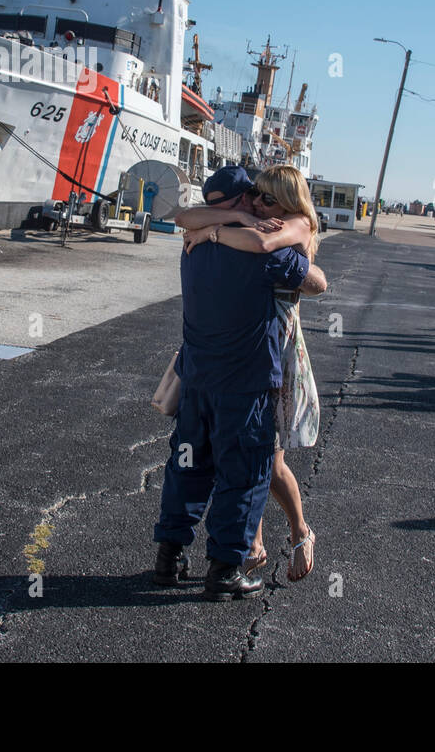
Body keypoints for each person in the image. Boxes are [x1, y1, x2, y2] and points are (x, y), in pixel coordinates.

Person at [152, 166, 326, 600]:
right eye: (250, 196)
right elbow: (316, 282)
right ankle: (225, 570)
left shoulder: (190, 248)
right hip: (244, 383)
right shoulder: (263, 254)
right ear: (234, 203)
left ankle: (169, 556)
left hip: (197, 380)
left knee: (187, 467)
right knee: (244, 475)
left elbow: (186, 217)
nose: (256, 201)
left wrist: (219, 226)